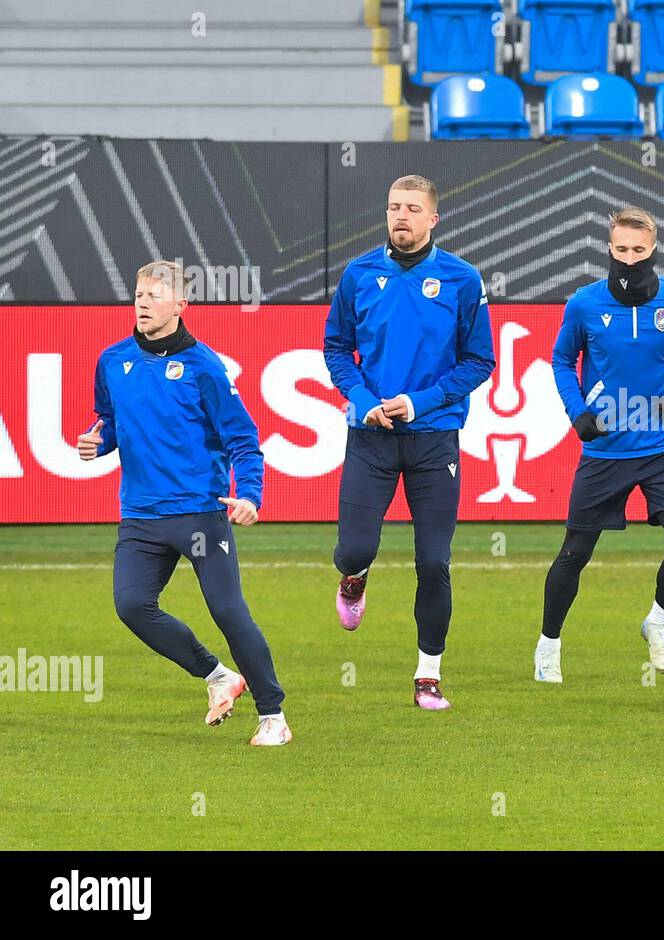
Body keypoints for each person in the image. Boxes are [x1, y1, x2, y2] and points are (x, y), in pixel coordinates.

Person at [79, 260, 290, 746]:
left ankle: (273, 715)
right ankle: (217, 676)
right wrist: (99, 441)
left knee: (228, 611)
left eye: (154, 295)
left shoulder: (204, 367)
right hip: (140, 515)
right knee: (131, 606)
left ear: (181, 305)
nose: (143, 303)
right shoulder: (113, 360)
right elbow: (109, 422)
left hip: (198, 512)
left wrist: (251, 496)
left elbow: (243, 439)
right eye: (138, 294)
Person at [323, 174, 495, 711]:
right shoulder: (358, 274)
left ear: (433, 218)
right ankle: (355, 579)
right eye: (394, 206)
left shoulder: (462, 280)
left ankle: (428, 675)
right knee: (353, 549)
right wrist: (361, 397)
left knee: (434, 561)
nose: (401, 216)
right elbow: (335, 349)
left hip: (433, 440)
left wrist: (421, 403)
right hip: (370, 436)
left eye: (413, 208)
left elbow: (480, 361)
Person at [534, 206, 664, 684]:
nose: (629, 258)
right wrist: (578, 412)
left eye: (638, 250)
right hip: (604, 452)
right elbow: (560, 358)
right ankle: (548, 645)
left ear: (653, 249)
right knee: (575, 553)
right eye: (621, 249)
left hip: (661, 448)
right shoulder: (585, 304)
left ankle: (656, 622)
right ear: (608, 249)